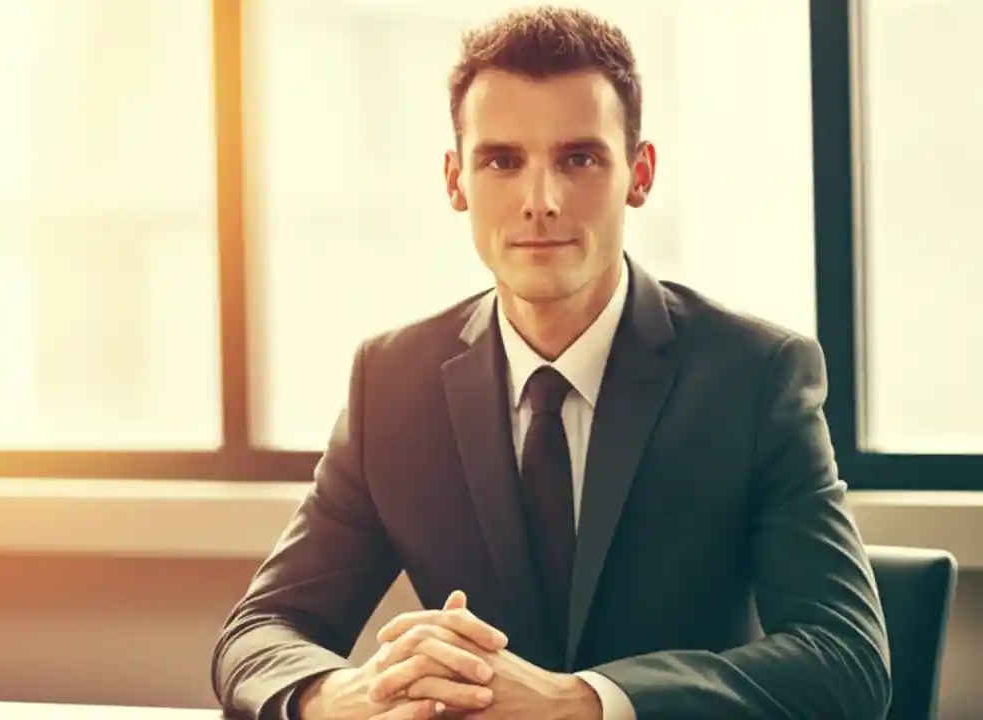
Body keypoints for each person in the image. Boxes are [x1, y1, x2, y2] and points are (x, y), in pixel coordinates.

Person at [211, 6, 891, 719]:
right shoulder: (391, 382)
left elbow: (845, 659)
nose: (541, 201)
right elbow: (257, 634)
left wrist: (584, 703)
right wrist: (339, 694)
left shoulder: (756, 375)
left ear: (640, 172)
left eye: (579, 158)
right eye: (502, 161)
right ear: (455, 181)